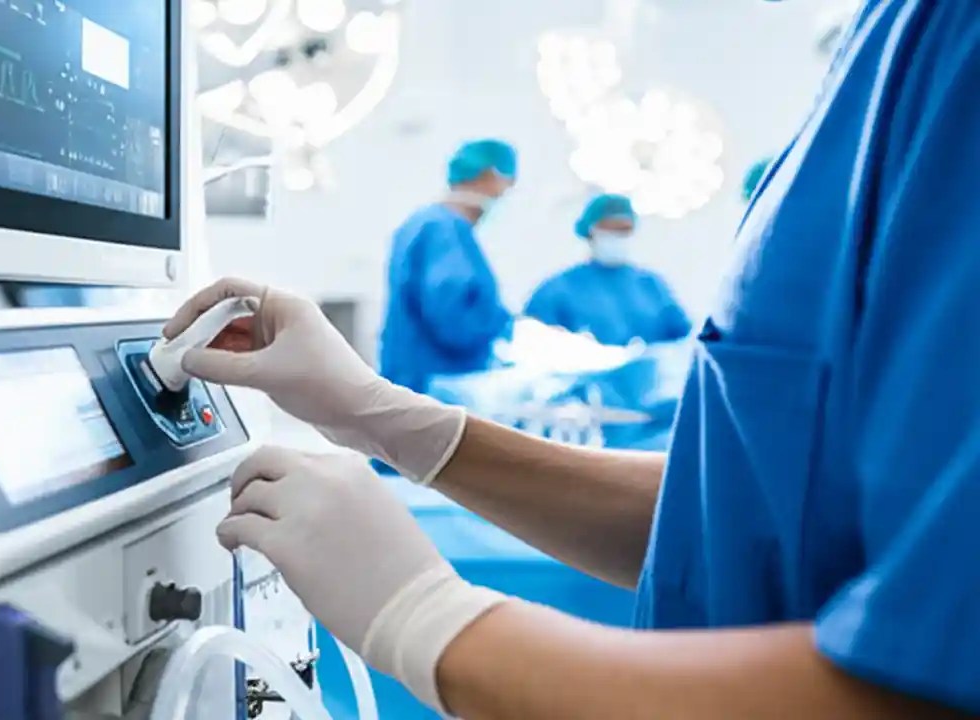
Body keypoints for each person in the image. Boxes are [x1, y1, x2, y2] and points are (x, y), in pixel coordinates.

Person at [163, 1, 980, 716]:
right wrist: (385, 418)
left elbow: (922, 683)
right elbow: (752, 508)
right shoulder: (901, 44)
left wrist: (425, 618)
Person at [377, 139, 515, 395]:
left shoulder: (425, 224)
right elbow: (452, 319)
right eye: (506, 186)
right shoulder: (444, 230)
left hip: (415, 383)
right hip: (437, 386)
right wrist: (508, 332)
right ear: (489, 177)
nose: (505, 194)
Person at [523, 194, 692, 345]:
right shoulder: (557, 291)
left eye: (623, 229)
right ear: (590, 232)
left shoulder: (651, 286)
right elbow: (531, 347)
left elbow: (684, 342)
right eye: (608, 228)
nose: (616, 235)